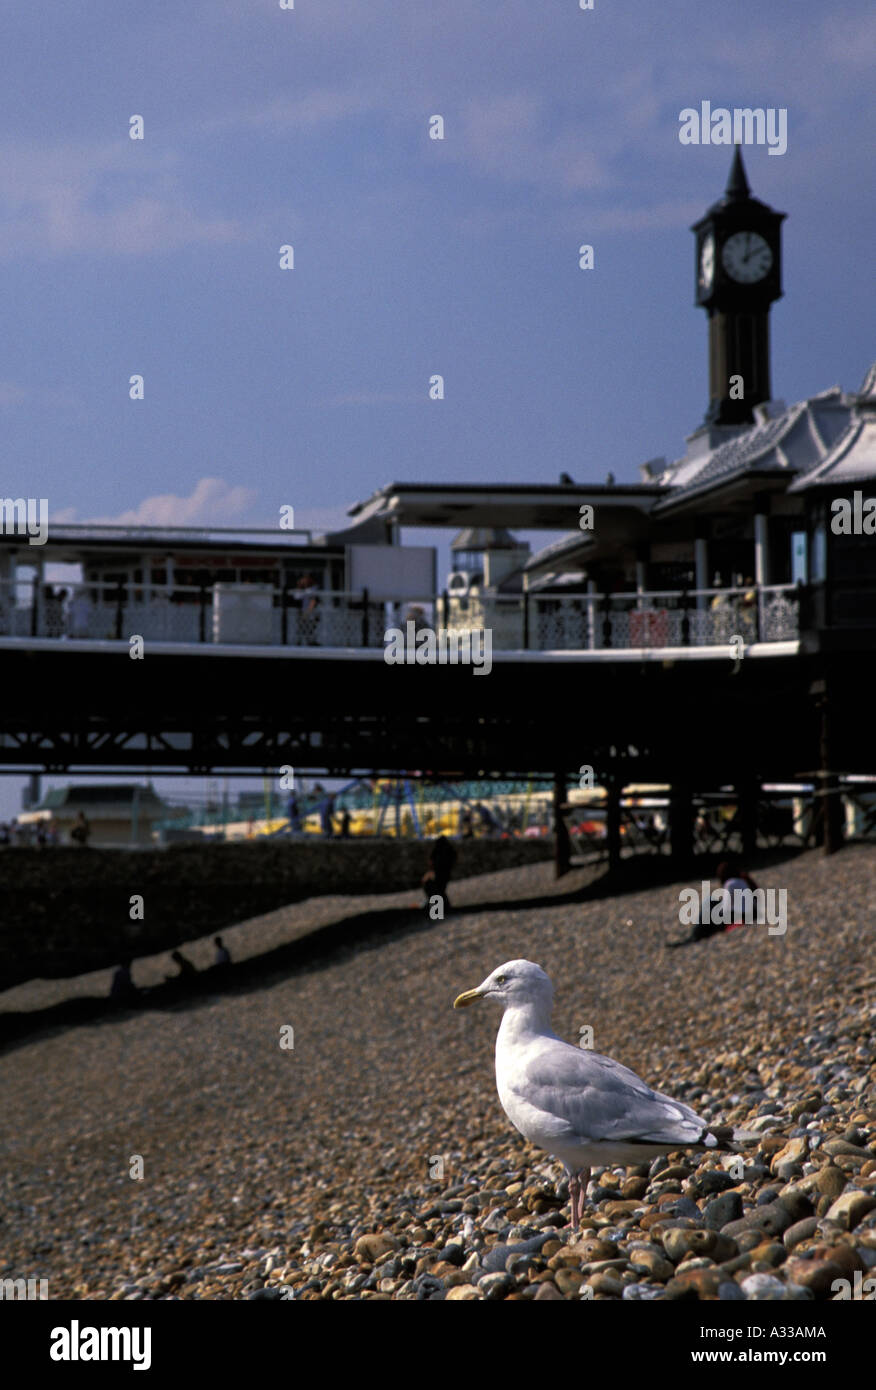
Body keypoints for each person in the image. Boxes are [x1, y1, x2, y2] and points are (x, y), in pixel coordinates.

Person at [422, 835, 457, 914]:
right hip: (443, 874)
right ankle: (442, 908)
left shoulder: (439, 851)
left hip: (439, 874)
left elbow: (432, 862)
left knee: (437, 890)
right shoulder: (448, 851)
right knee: (440, 890)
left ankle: (439, 909)